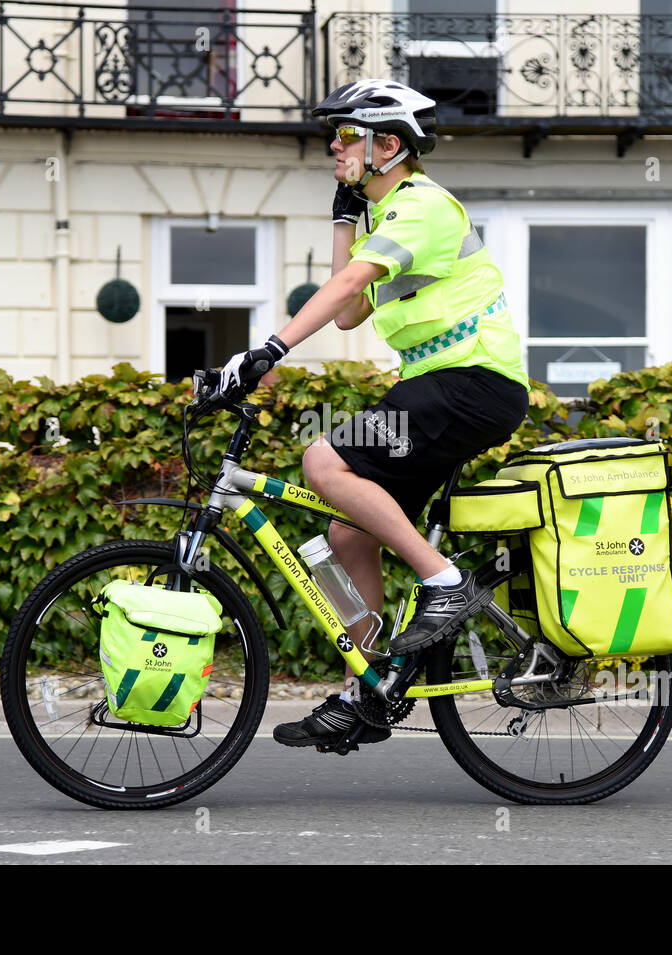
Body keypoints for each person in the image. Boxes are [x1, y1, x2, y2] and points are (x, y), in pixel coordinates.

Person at [219, 79, 530, 749]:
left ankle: (445, 580)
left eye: (348, 134)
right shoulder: (386, 217)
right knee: (349, 533)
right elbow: (355, 309)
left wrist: (268, 350)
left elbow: (349, 287)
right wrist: (342, 217)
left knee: (322, 458)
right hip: (445, 386)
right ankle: (375, 685)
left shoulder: (423, 207)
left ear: (389, 145)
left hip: (472, 382)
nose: (334, 143)